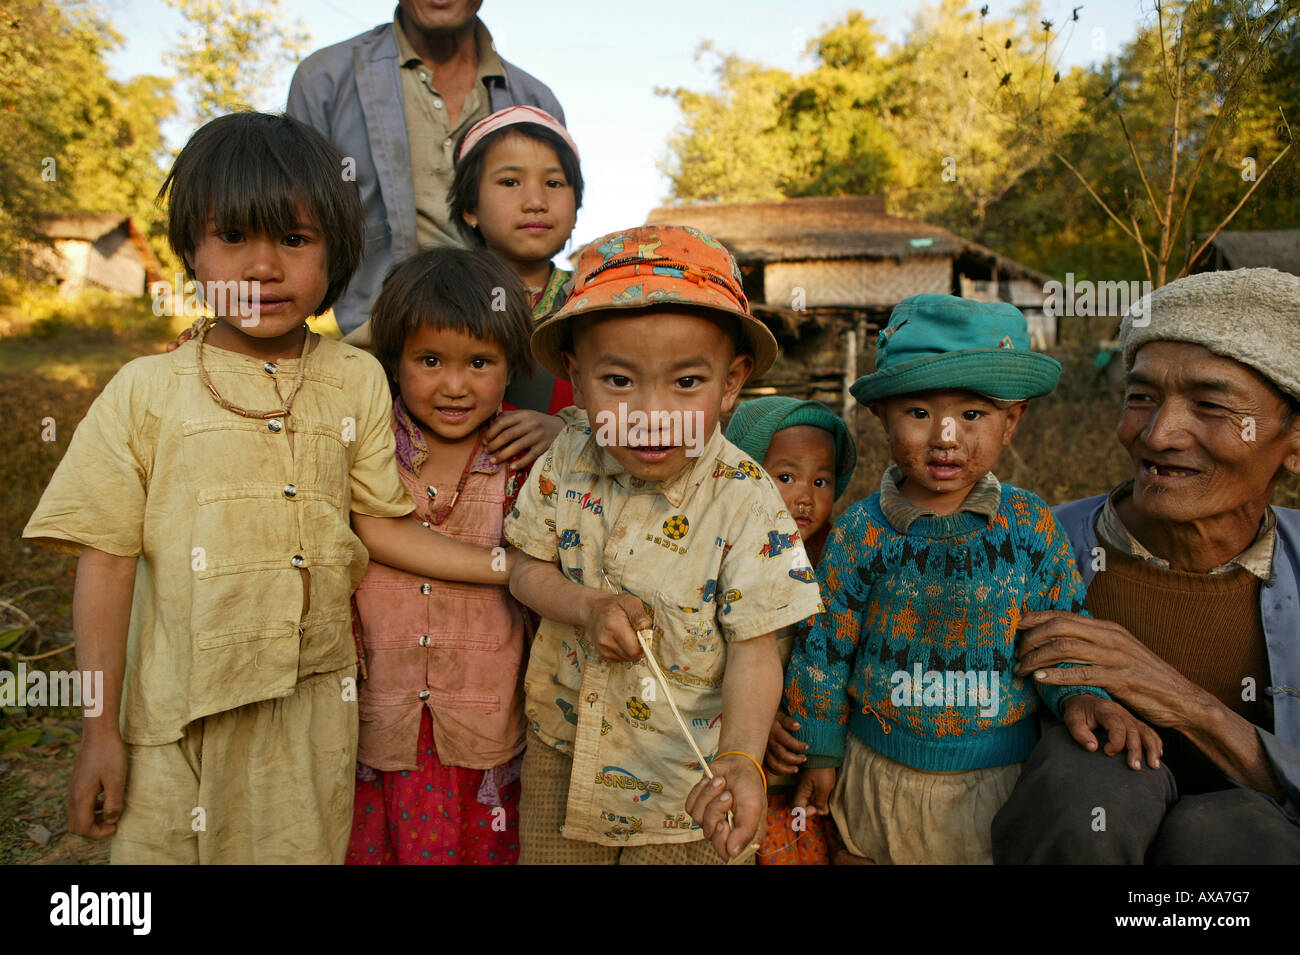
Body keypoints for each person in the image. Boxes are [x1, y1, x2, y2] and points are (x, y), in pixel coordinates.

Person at [22, 112, 518, 864]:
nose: (263, 267)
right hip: (171, 717)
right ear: (190, 248)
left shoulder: (352, 378)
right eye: (232, 238)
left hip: (311, 719)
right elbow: (107, 565)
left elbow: (377, 522)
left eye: (294, 239)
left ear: (337, 251)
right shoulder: (144, 390)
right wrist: (98, 731)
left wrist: (515, 568)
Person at [785, 295, 1161, 865]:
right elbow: (825, 647)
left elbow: (1059, 631)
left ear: (1012, 423)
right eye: (917, 413)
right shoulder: (862, 531)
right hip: (877, 771)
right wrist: (819, 750)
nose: (944, 437)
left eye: (972, 415)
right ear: (882, 416)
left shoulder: (1030, 526)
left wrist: (1081, 695)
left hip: (999, 778)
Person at [502, 225, 825, 864]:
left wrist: (740, 757)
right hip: (564, 750)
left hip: (692, 782)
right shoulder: (565, 459)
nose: (651, 413)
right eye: (618, 382)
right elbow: (522, 568)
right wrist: (585, 605)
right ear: (578, 377)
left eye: (685, 384)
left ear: (731, 384)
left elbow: (757, 650)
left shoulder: (746, 500)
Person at [993, 267, 1300, 863]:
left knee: (1230, 835)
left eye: (1211, 406)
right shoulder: (1023, 546)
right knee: (1085, 782)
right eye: (1141, 398)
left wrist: (1184, 702)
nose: (1159, 435)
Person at [346, 248, 539, 865]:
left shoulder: (527, 458)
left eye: (480, 362)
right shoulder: (371, 443)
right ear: (394, 364)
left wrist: (567, 426)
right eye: (429, 360)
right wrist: (508, 569)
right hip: (380, 716)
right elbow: (368, 527)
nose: (454, 386)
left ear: (511, 369)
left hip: (486, 717)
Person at [286, 0, 566, 336]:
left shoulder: (534, 101)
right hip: (368, 343)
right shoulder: (325, 81)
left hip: (503, 345)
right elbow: (294, 232)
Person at [725, 396, 857, 865]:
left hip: (816, 756)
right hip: (737, 754)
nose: (806, 495)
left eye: (821, 480)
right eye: (785, 477)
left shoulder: (839, 556)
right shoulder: (719, 556)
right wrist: (757, 720)